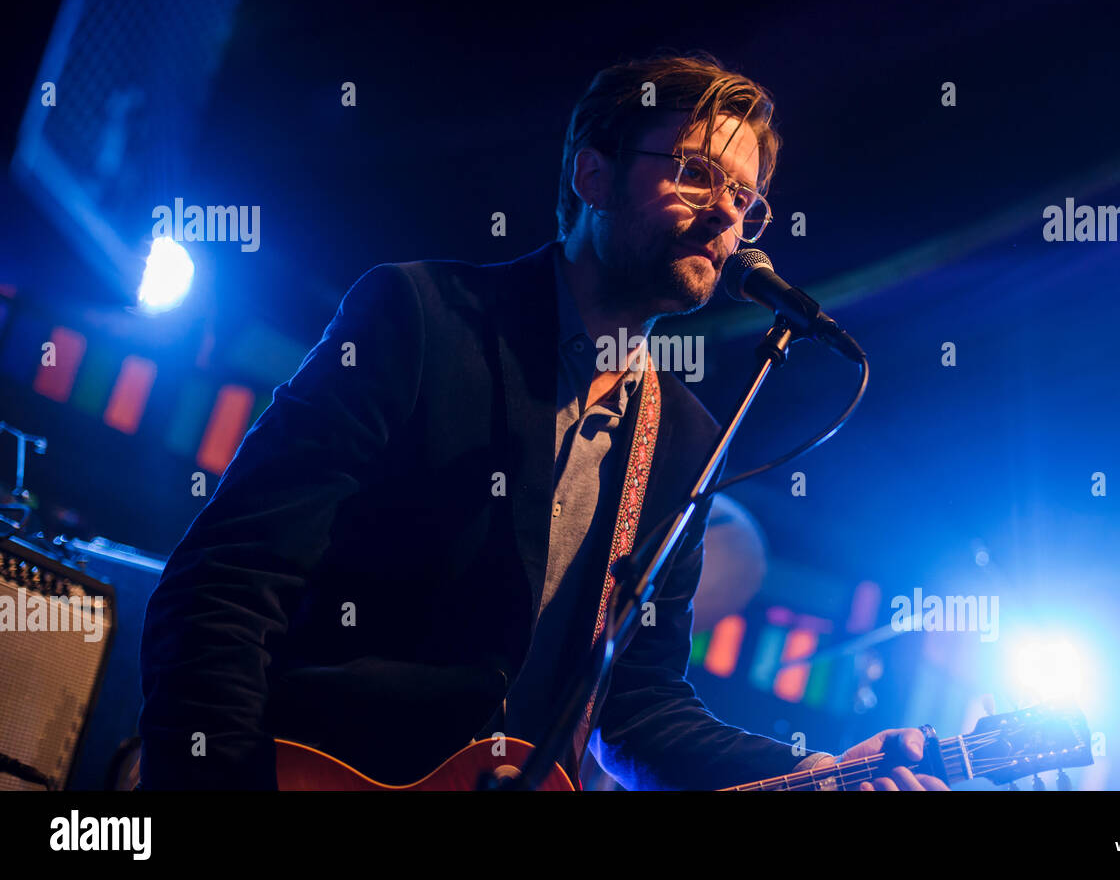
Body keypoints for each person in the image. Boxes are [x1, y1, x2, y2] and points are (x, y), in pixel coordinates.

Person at [137, 52, 947, 791]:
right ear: (592, 176)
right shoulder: (423, 319)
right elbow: (228, 583)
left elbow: (635, 709)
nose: (724, 217)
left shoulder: (686, 441)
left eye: (744, 198)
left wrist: (818, 771)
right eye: (697, 174)